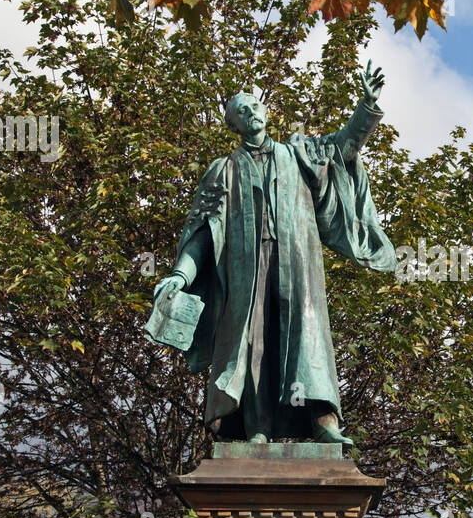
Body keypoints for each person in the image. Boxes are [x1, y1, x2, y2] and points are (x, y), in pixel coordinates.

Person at [149, 62, 395, 444]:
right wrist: (180, 275)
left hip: (297, 268)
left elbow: (345, 145)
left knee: (305, 337)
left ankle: (322, 421)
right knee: (253, 344)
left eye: (254, 105)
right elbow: (202, 232)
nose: (250, 113)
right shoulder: (222, 171)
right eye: (240, 111)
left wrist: (366, 106)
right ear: (234, 126)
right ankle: (256, 429)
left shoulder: (300, 153)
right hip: (245, 274)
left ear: (266, 111)